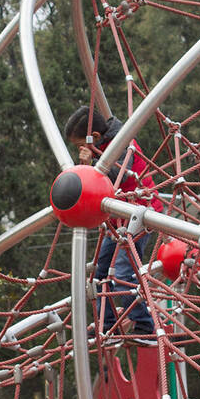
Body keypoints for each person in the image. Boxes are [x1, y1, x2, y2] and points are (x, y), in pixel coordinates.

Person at [63, 106, 162, 343]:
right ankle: (109, 324)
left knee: (124, 272)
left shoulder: (122, 142)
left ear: (94, 138)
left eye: (80, 145)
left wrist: (90, 163)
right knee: (99, 272)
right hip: (118, 221)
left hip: (138, 215)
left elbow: (117, 176)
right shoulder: (106, 145)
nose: (80, 150)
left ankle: (145, 326)